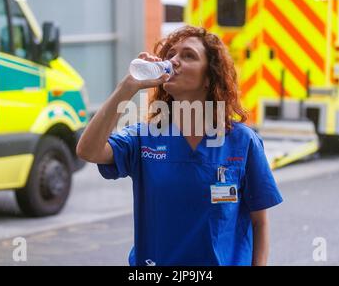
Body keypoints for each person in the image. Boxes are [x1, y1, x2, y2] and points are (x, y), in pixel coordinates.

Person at [77, 26, 283, 266]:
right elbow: (88, 150)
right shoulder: (145, 136)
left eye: (188, 55)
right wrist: (127, 88)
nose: (174, 61)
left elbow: (260, 221)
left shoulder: (242, 142)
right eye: (171, 55)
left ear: (209, 77)